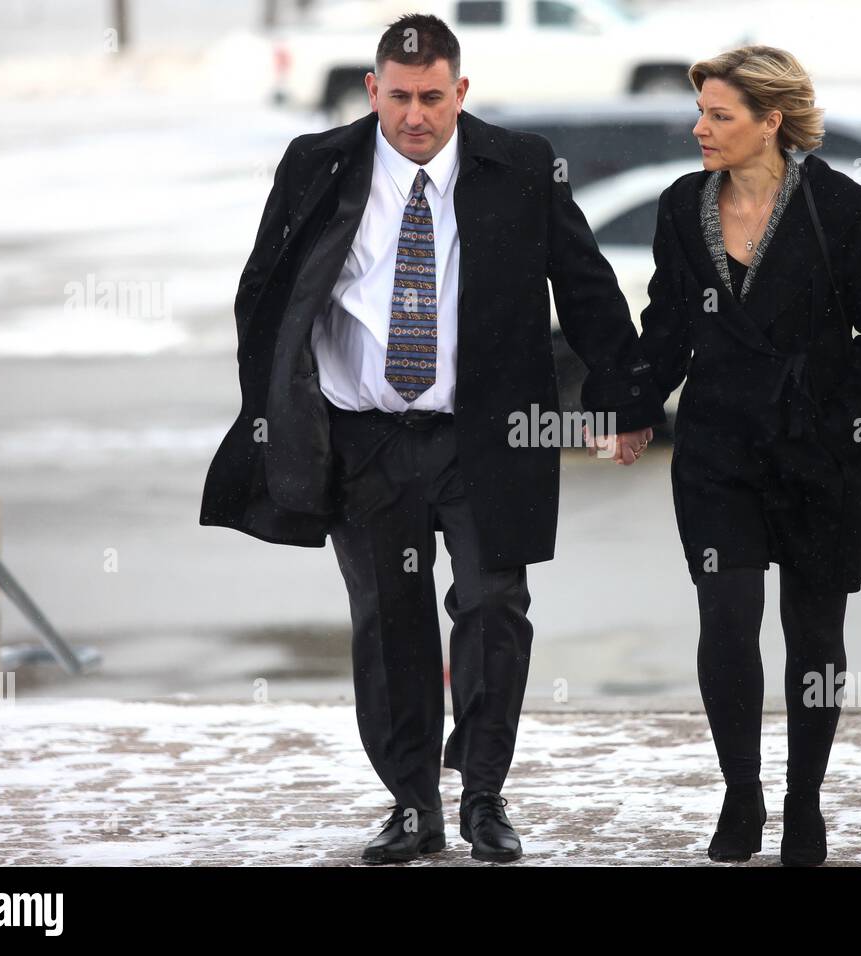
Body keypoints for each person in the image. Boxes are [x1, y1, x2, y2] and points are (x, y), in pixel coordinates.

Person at [199, 13, 663, 863]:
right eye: (400, 97)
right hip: (364, 440)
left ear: (462, 92)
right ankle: (413, 805)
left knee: (493, 610)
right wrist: (276, 415)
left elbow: (589, 289)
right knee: (389, 625)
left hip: (487, 437)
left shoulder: (520, 167)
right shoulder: (319, 164)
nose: (416, 116)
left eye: (433, 98)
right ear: (373, 90)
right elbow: (262, 296)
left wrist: (625, 400)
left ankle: (485, 796)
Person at [637, 45, 861, 865]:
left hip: (819, 455)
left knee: (815, 635)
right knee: (726, 621)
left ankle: (804, 805)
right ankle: (741, 794)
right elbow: (667, 327)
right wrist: (628, 409)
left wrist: (845, 423)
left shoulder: (842, 212)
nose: (701, 128)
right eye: (702, 112)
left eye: (720, 115)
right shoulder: (681, 207)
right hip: (717, 451)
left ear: (773, 121)